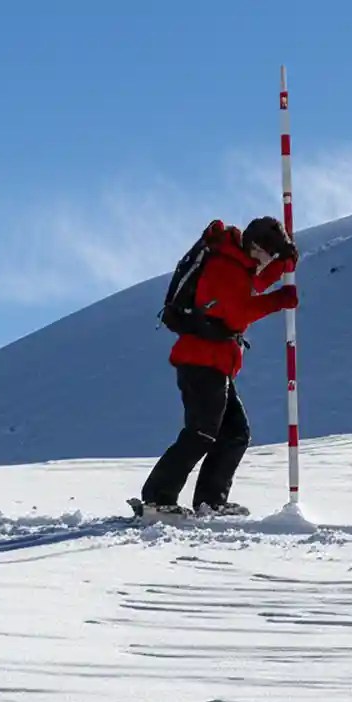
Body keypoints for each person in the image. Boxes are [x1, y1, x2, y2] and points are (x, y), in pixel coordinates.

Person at [139, 216, 298, 517]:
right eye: (270, 255)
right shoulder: (226, 267)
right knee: (202, 431)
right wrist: (279, 300)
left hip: (213, 361)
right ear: (256, 247)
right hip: (202, 360)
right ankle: (157, 499)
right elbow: (236, 315)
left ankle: (210, 502)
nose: (269, 261)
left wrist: (284, 265)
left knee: (234, 432)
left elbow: (255, 281)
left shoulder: (237, 263)